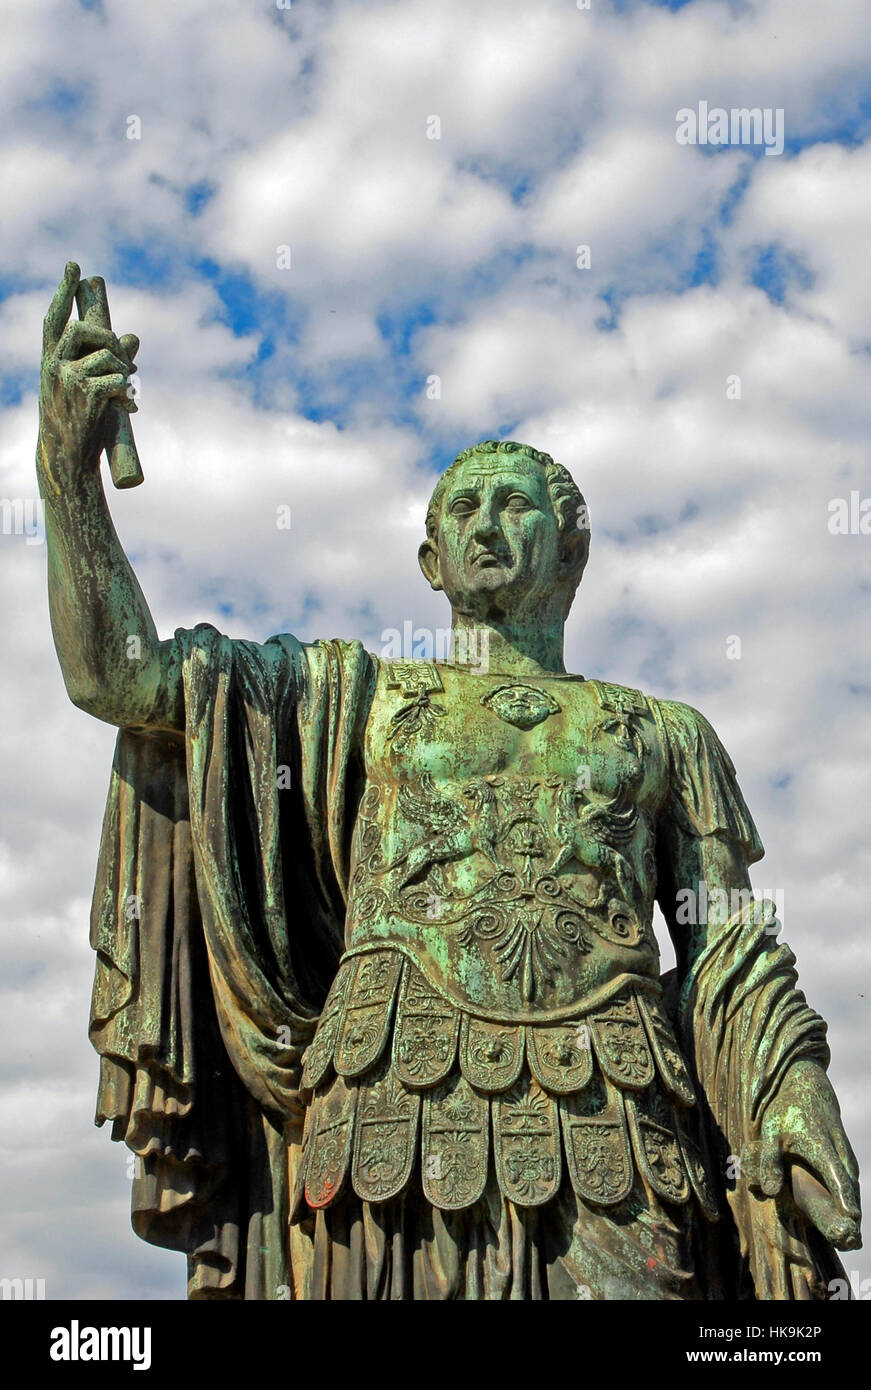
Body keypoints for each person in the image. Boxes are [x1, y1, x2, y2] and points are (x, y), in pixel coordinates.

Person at [38, 263, 860, 1299]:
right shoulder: (352, 692)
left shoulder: (665, 731)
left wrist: (788, 1087)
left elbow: (725, 949)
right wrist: (65, 474)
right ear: (429, 561)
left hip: (615, 1120)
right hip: (386, 1114)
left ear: (572, 549)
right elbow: (122, 678)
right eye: (462, 507)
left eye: (514, 504)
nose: (485, 522)